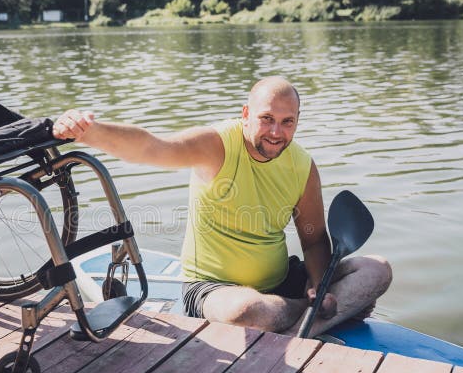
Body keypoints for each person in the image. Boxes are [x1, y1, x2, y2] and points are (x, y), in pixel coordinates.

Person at [52, 76, 391, 337]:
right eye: (267, 118)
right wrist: (90, 132)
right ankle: (318, 314)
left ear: (298, 121)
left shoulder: (302, 166)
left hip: (282, 280)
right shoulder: (218, 146)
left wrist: (317, 282)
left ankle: (306, 321)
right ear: (245, 115)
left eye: (288, 122)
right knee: (248, 311)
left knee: (377, 269)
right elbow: (154, 146)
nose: (276, 131)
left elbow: (314, 240)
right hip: (213, 289)